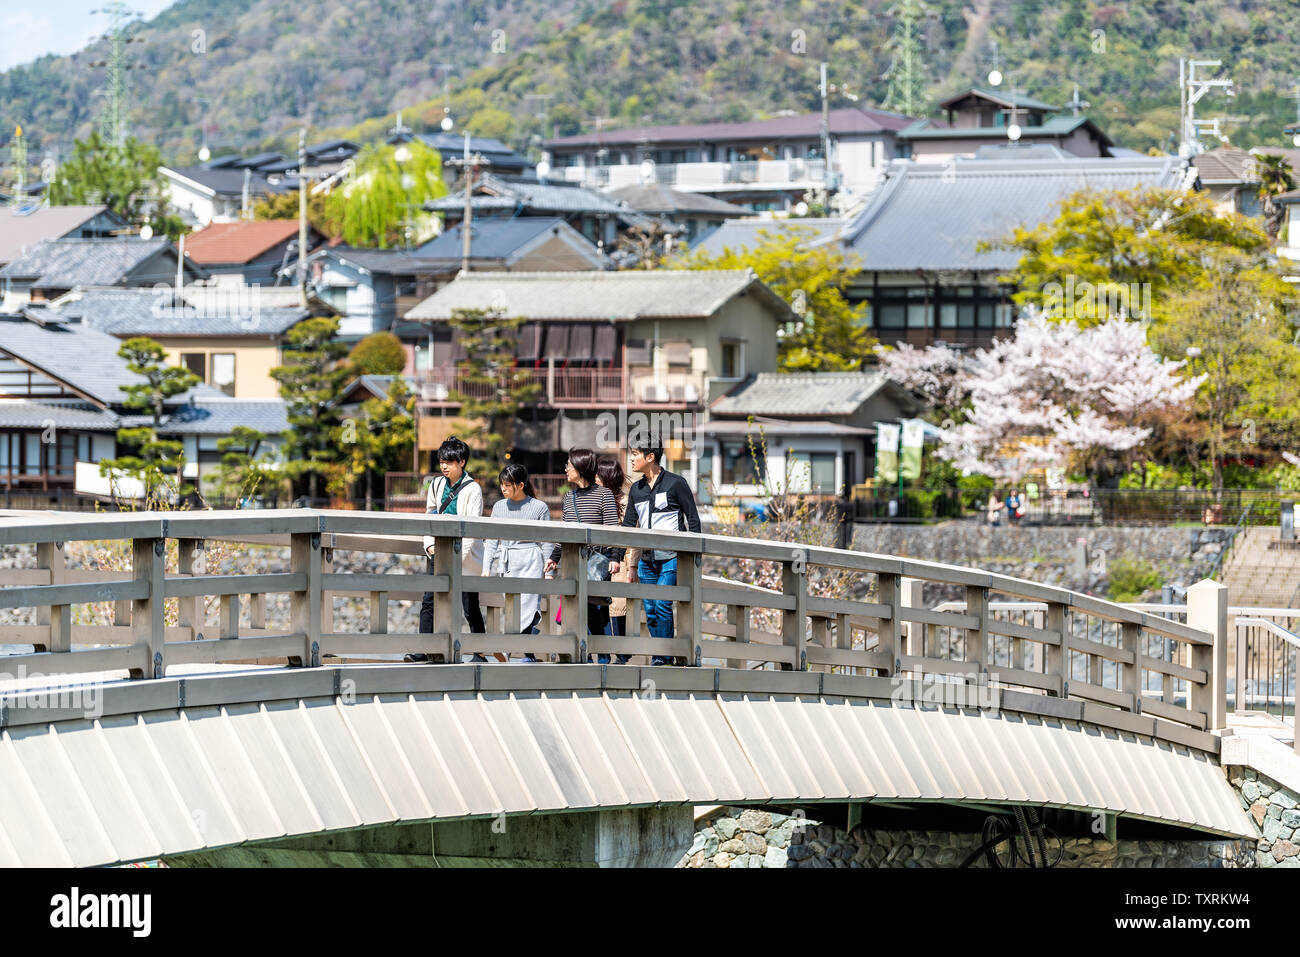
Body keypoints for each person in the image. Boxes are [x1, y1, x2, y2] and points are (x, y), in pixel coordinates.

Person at [618, 442, 701, 666]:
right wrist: (616, 556)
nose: (632, 459)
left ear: (650, 457)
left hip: (671, 557)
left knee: (662, 604)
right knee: (651, 609)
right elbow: (628, 526)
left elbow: (693, 520)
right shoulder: (637, 489)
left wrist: (694, 556)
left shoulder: (676, 483)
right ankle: (659, 654)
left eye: (635, 455)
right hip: (646, 560)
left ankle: (663, 657)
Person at [411, 437, 487, 663]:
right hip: (439, 550)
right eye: (442, 461)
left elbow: (472, 528)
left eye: (449, 462)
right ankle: (424, 648)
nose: (444, 466)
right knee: (429, 600)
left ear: (462, 462)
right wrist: (429, 544)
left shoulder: (473, 489)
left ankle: (479, 653)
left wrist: (458, 557)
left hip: (465, 555)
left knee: (469, 605)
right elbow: (430, 516)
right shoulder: (436, 484)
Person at [545, 448, 623, 651]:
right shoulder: (568, 497)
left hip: (596, 560)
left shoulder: (604, 494)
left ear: (581, 468)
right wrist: (554, 557)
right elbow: (565, 532)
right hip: (573, 561)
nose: (565, 469)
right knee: (577, 606)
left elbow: (613, 529)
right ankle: (584, 653)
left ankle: (601, 654)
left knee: (595, 606)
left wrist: (615, 557)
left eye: (569, 466)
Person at [481, 464, 551, 663]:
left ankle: (509, 649)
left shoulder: (539, 507)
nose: (503, 489)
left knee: (529, 606)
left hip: (531, 560)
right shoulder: (499, 507)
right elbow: (492, 539)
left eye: (507, 485)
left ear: (520, 485)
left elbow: (547, 540)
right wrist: (486, 567)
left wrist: (548, 570)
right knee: (512, 607)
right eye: (501, 484)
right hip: (508, 561)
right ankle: (526, 654)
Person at [596, 454, 633, 665]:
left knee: (617, 609)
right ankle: (602, 654)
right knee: (600, 607)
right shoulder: (596, 498)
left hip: (620, 561)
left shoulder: (625, 501)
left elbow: (631, 536)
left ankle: (621, 654)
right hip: (599, 561)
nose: (595, 479)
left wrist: (631, 566)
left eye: (598, 475)